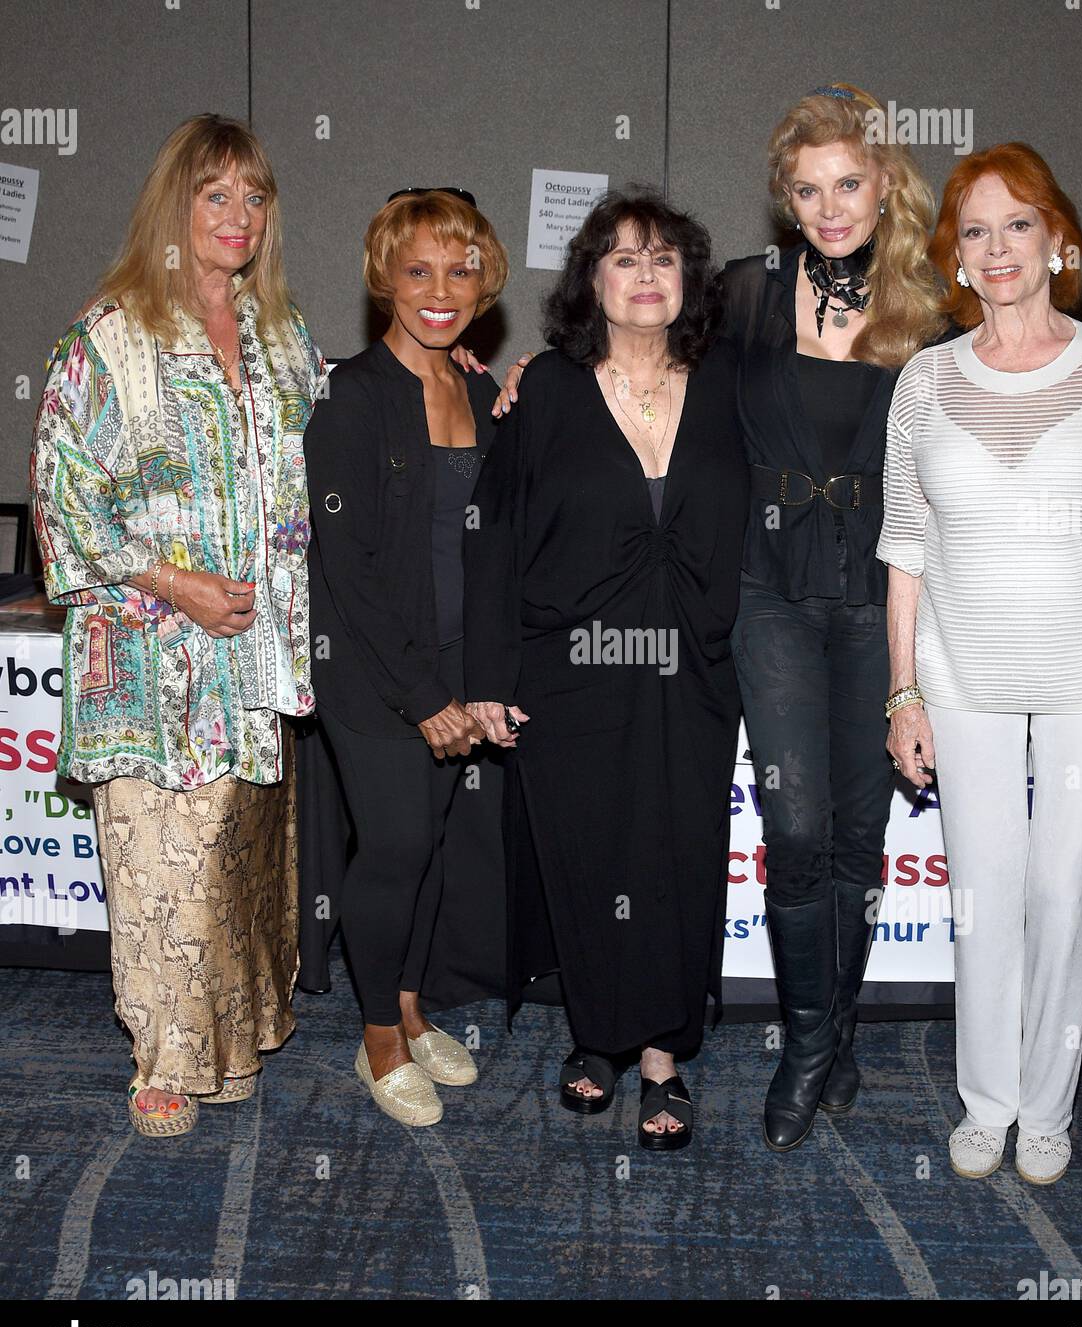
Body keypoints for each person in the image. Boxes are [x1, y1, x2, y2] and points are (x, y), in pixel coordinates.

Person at [878, 142, 1082, 1184]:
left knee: (1064, 895)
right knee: (985, 894)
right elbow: (905, 548)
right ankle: (987, 1101)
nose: (999, 246)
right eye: (975, 230)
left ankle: (1047, 1107)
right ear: (954, 259)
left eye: (1020, 223)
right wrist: (905, 690)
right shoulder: (923, 381)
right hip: (960, 675)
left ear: (1060, 240)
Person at [28, 114, 324, 1137]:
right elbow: (65, 503)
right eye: (216, 195)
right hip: (151, 654)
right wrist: (174, 584)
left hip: (254, 650)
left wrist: (469, 390)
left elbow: (337, 458)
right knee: (162, 858)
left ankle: (229, 1042)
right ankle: (161, 1059)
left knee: (234, 851)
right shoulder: (111, 336)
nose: (239, 216)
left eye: (254, 197)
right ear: (174, 206)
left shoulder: (281, 336)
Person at [461, 188, 748, 1150]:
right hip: (571, 665)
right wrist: (489, 676)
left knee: (678, 853)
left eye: (664, 258)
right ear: (592, 281)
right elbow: (494, 540)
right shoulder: (543, 390)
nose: (645, 275)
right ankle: (596, 1039)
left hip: (694, 671)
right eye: (622, 258)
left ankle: (665, 1057)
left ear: (689, 280)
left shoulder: (730, 384)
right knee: (587, 855)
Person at [719, 85, 948, 1151]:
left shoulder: (935, 300)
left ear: (885, 180)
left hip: (882, 597)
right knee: (796, 822)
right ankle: (809, 1045)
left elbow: (1024, 366)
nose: (830, 206)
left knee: (862, 831)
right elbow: (637, 357)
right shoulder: (747, 293)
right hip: (769, 591)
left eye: (848, 182)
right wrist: (537, 370)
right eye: (807, 190)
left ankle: (838, 1033)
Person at [304, 190, 507, 1126]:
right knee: (390, 845)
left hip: (455, 665)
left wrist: (474, 682)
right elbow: (346, 569)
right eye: (418, 269)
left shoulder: (475, 388)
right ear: (384, 276)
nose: (440, 289)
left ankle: (415, 1007)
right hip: (371, 670)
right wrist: (425, 693)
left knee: (429, 846)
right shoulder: (350, 395)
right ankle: (378, 1037)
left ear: (485, 280)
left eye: (460, 269)